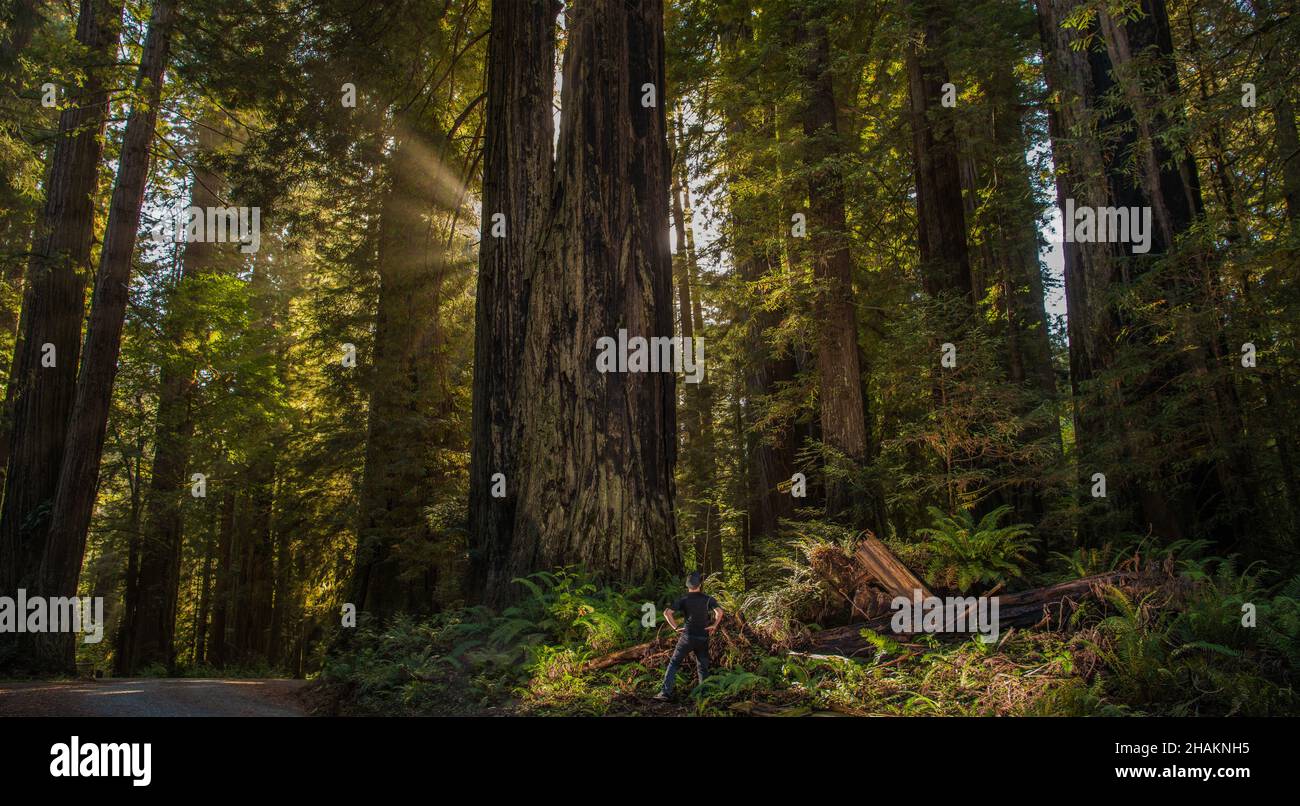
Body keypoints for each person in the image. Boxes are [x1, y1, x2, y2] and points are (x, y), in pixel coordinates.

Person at [654, 571, 722, 701]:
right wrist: (714, 625)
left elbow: (667, 613)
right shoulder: (708, 599)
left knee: (674, 663)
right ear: (700, 584)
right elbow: (719, 612)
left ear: (687, 586)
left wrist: (675, 628)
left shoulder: (683, 599)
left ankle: (665, 693)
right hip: (703, 637)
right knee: (702, 666)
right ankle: (704, 696)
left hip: (687, 637)